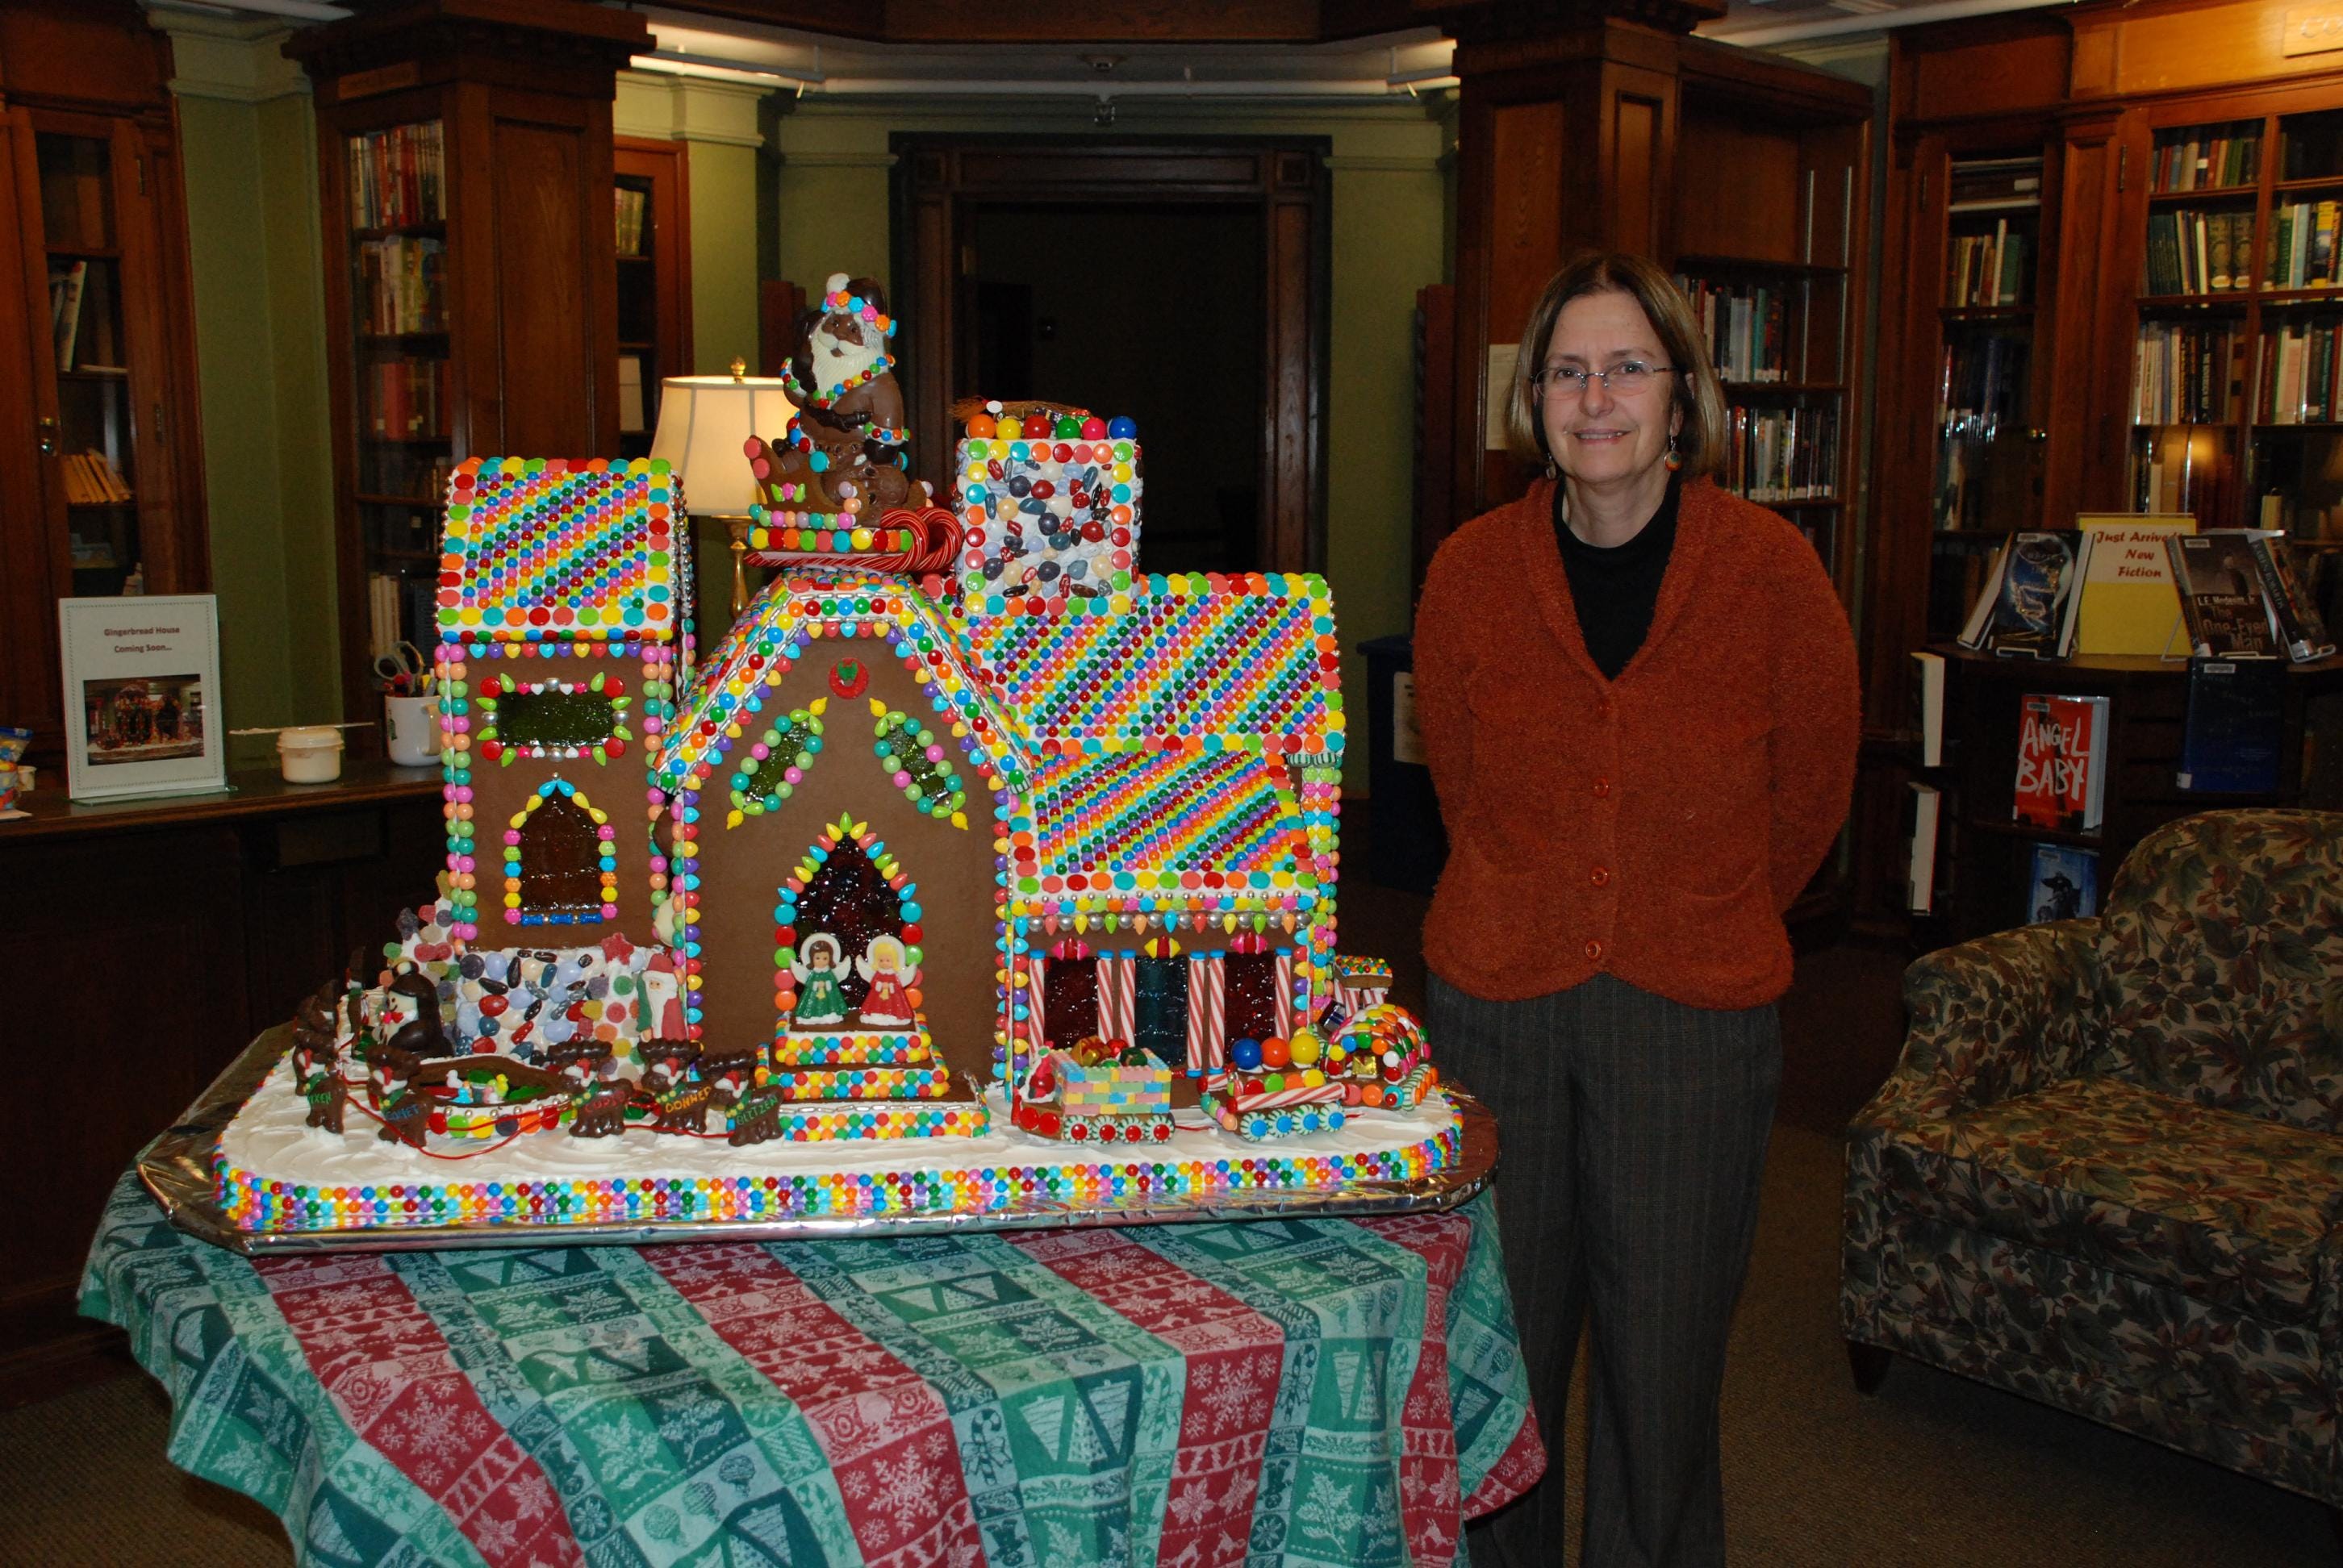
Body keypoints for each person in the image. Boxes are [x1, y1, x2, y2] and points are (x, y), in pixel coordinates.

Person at [1413, 252, 1860, 1566]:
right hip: (1498, 1012)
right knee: (1503, 1372)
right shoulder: (1469, 573)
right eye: (1566, 370)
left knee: (1662, 1385)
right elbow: (1460, 779)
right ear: (1532, 402)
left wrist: (1704, 907)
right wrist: (1540, 898)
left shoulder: (1773, 573)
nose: (1594, 396)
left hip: (1694, 1031)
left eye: (1625, 367)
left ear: (1681, 398)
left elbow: (1815, 791)